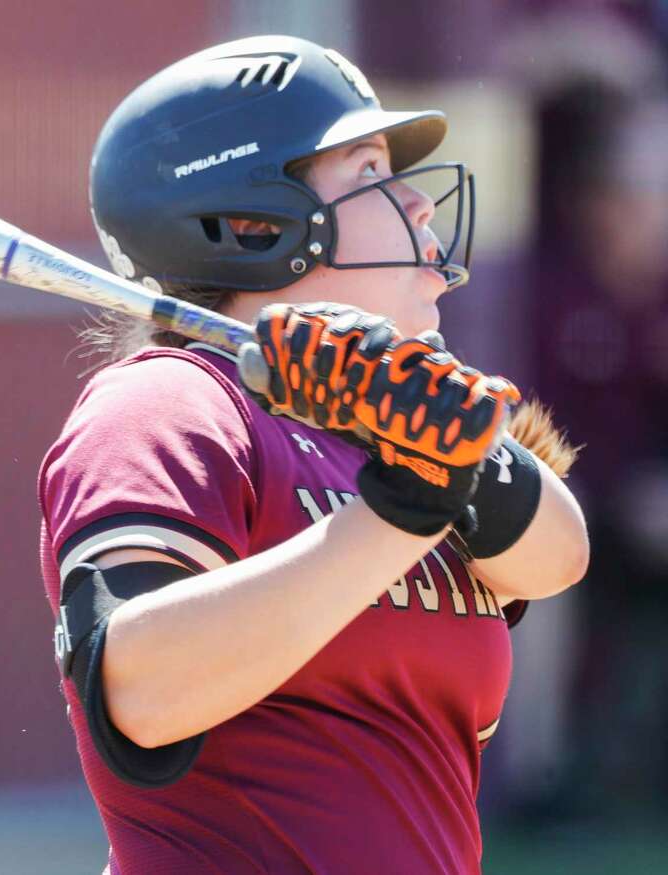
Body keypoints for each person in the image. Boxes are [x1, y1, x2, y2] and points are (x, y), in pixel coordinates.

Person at [39, 36, 589, 873]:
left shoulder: (389, 420)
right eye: (370, 173)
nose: (420, 205)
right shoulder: (172, 400)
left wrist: (434, 446)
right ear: (256, 226)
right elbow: (139, 692)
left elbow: (558, 554)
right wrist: (402, 510)